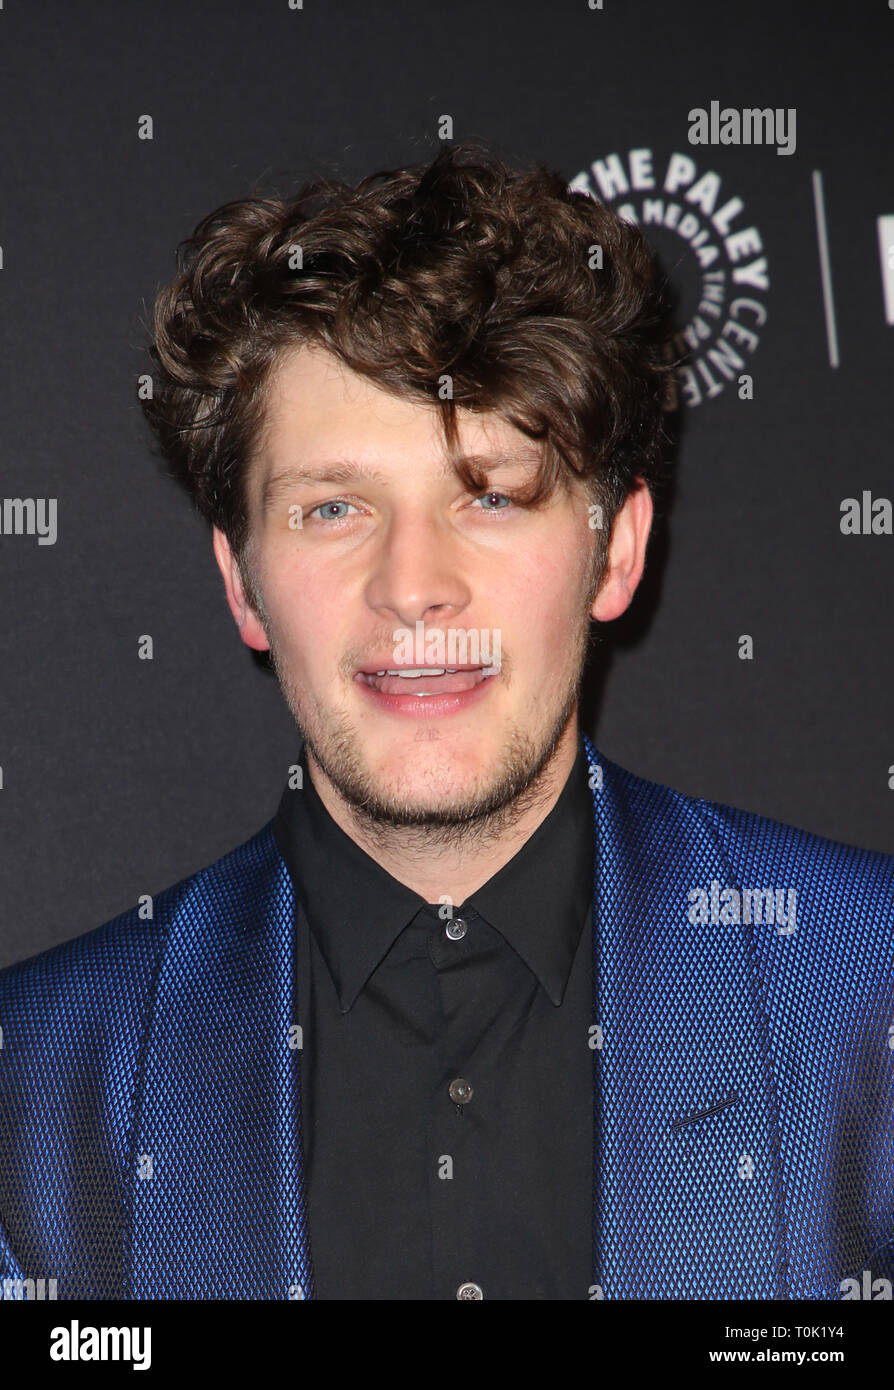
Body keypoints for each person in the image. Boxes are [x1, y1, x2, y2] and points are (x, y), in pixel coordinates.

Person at [1, 140, 891, 1302]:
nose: (414, 584)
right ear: (241, 584)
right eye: (333, 507)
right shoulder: (33, 1086)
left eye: (490, 494)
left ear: (614, 551)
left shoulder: (867, 993)